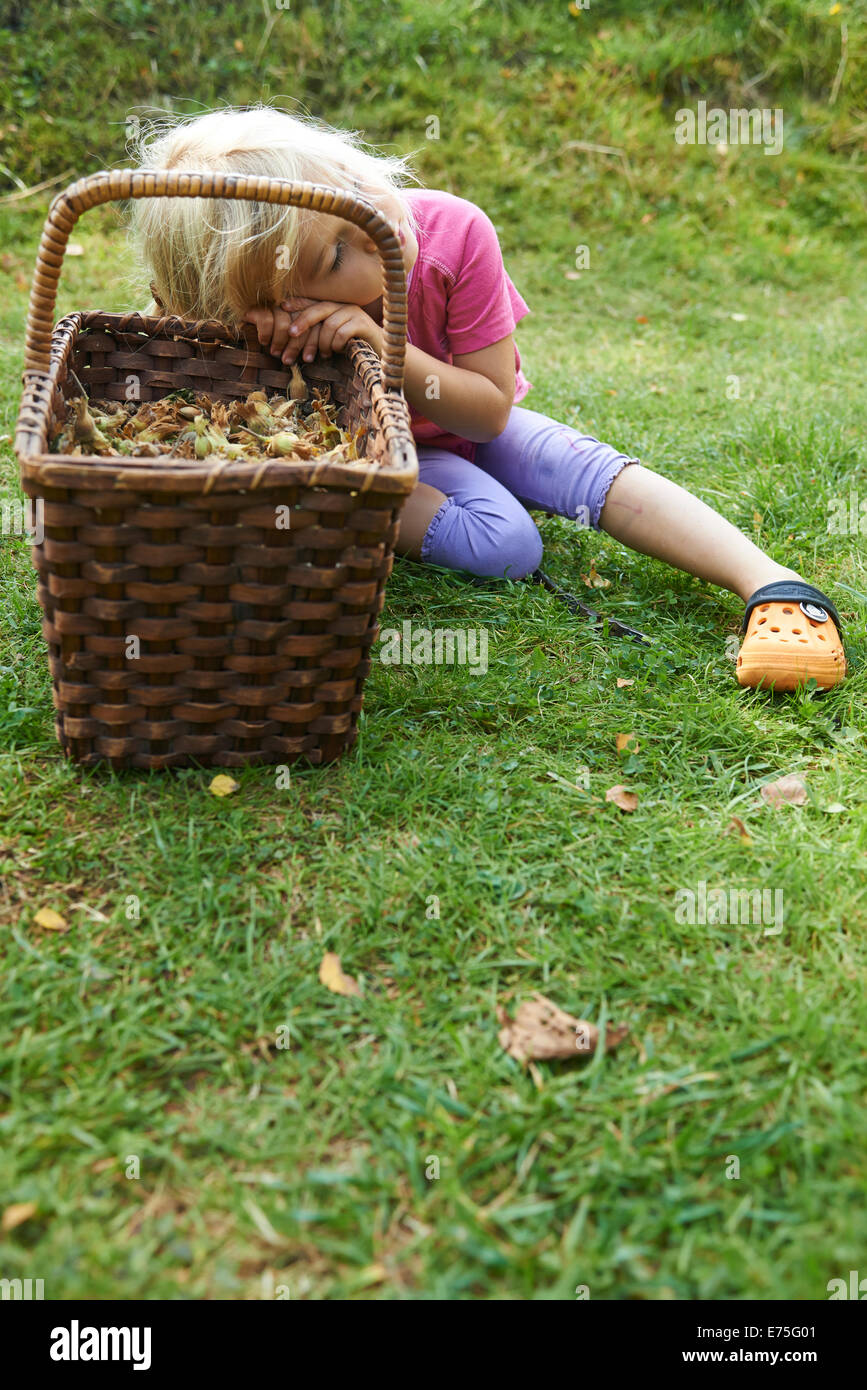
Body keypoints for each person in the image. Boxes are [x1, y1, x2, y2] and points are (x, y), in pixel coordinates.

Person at [130, 104, 845, 691]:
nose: (376, 229)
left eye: (355, 187)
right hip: (390, 464)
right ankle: (364, 517)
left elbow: (486, 411)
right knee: (506, 544)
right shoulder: (282, 329)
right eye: (335, 255)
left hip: (469, 423)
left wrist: (388, 350)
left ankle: (769, 582)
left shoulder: (452, 233)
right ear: (282, 300)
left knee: (577, 465)